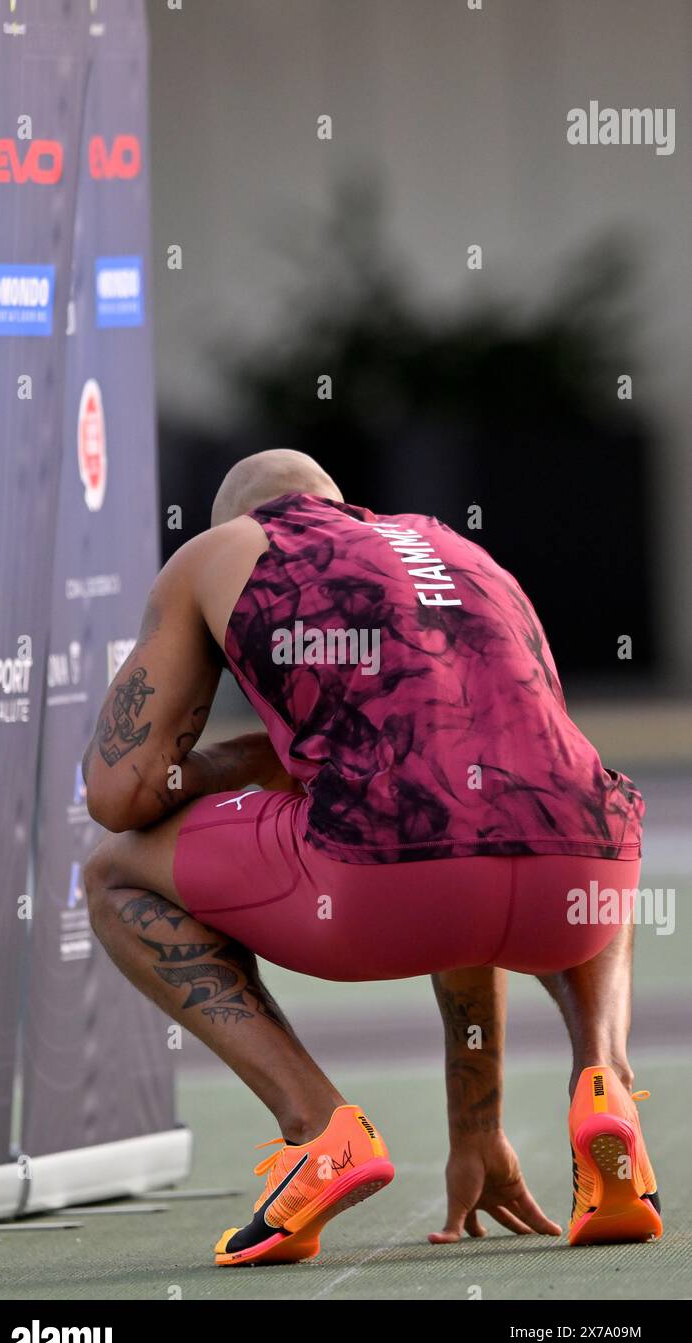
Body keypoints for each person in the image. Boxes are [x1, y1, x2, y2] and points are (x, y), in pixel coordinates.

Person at [82, 449, 661, 1266]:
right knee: (549, 807)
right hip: (584, 885)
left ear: (237, 520)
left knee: (112, 871)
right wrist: (477, 1129)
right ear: (339, 506)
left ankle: (320, 1131)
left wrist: (248, 757)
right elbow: (477, 801)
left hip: (379, 889)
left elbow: (120, 792)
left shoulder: (217, 552)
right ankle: (604, 1087)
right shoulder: (466, 553)